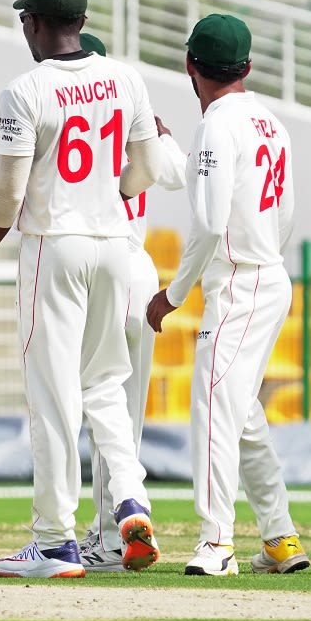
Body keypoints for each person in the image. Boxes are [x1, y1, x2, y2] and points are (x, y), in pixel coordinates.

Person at [0, 0, 169, 578]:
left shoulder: (24, 89)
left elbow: (7, 192)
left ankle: (53, 539)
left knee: (53, 394)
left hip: (56, 244)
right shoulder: (125, 77)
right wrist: (113, 193)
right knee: (105, 384)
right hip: (113, 245)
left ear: (37, 23)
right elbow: (149, 163)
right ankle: (131, 499)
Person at [145, 14, 311, 577]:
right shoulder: (271, 123)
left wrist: (173, 293)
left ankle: (216, 542)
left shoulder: (217, 124)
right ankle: (280, 535)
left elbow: (210, 222)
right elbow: (285, 212)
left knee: (212, 410)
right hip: (269, 272)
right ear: (247, 67)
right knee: (240, 416)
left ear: (190, 66)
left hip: (240, 283)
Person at [71, 34, 189, 573]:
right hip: (139, 271)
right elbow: (180, 174)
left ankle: (98, 530)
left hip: (92, 270)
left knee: (93, 403)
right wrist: (160, 135)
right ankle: (114, 530)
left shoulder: (64, 125)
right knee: (126, 414)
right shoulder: (140, 126)